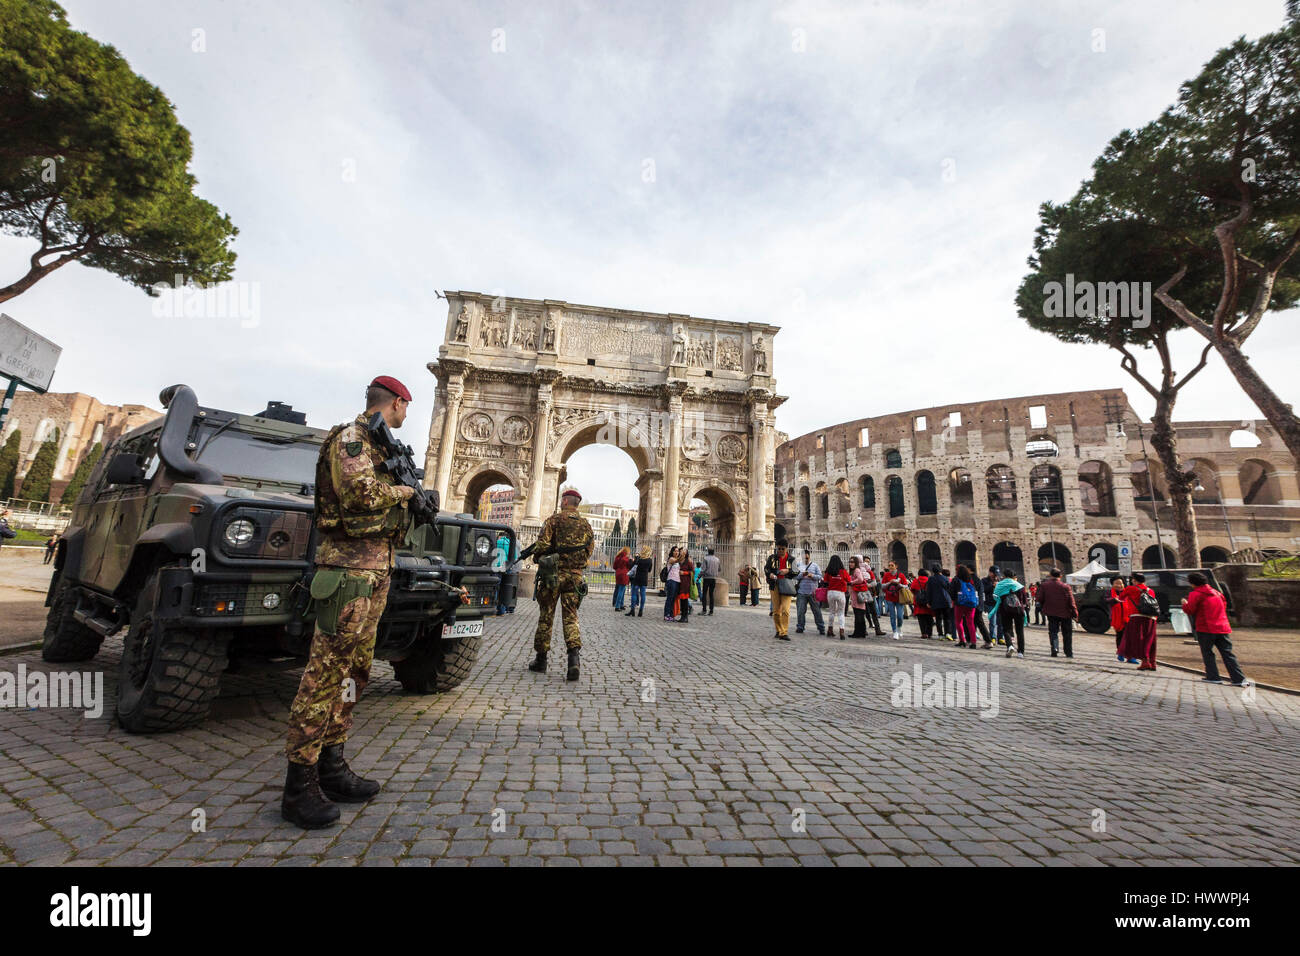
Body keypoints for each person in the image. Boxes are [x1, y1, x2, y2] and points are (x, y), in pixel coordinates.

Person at [283, 375, 421, 830]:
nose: (407, 415)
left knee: (356, 669)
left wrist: (415, 503)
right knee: (324, 673)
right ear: (396, 403)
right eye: (407, 407)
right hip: (345, 572)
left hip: (376, 569)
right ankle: (298, 785)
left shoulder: (382, 448)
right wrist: (407, 493)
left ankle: (332, 764)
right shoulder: (351, 439)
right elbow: (360, 497)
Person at [528, 488, 596, 680]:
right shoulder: (586, 526)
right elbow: (589, 550)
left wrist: (537, 557)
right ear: (577, 503)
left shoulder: (554, 520)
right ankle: (573, 660)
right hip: (574, 578)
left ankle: (541, 660)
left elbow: (542, 545)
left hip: (552, 576)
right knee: (571, 617)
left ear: (565, 502)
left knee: (546, 617)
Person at [1183, 572, 1250, 686]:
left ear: (1192, 583)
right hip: (1222, 626)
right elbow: (1224, 606)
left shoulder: (1195, 594)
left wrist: (1184, 604)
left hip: (1206, 627)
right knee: (1228, 653)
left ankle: (1213, 676)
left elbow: (1190, 610)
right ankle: (1239, 678)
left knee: (1207, 652)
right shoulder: (1217, 593)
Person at [1118, 572, 1160, 671]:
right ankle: (1153, 663)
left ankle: (1145, 661)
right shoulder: (1151, 590)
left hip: (1137, 616)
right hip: (1151, 618)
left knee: (1138, 640)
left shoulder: (1130, 588)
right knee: (1150, 640)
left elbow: (1121, 598)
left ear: (1134, 580)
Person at [1037, 567, 1078, 658]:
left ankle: (1055, 648)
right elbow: (1071, 601)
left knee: (1053, 632)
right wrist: (1075, 613)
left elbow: (1039, 598)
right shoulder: (1066, 586)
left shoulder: (1044, 585)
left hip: (1051, 612)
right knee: (1067, 633)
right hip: (1066, 613)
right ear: (1061, 575)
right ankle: (1068, 652)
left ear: (1050, 575)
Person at [990, 570, 1027, 658]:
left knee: (1006, 629)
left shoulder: (999, 585)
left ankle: (1010, 646)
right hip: (1018, 610)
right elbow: (1025, 601)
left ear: (1004, 576)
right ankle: (1020, 652)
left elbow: (995, 597)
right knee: (1020, 631)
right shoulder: (1020, 586)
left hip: (1005, 610)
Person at [764, 541, 798, 640]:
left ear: (786, 549)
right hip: (774, 585)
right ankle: (778, 630)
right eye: (779, 548)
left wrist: (788, 571)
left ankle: (784, 632)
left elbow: (796, 571)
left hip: (786, 585)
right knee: (776, 611)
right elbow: (766, 568)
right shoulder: (772, 558)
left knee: (786, 610)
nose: (780, 551)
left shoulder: (791, 559)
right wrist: (769, 574)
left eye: (782, 549)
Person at [1107, 576, 1139, 663]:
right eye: (1116, 583)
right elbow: (1106, 600)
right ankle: (1121, 653)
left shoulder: (1128, 592)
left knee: (1130, 637)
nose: (1119, 585)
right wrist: (1114, 600)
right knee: (1120, 637)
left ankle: (1130, 656)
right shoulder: (1109, 592)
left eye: (1120, 583)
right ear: (1112, 584)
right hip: (1117, 619)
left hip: (1129, 618)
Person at [794, 549, 825, 635]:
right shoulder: (799, 565)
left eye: (807, 558)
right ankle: (800, 627)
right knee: (800, 611)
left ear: (809, 557)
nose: (805, 560)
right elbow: (795, 577)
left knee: (817, 611)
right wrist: (801, 575)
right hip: (801, 592)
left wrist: (812, 576)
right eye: (804, 558)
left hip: (813, 592)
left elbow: (820, 577)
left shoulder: (815, 566)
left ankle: (821, 627)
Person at [951, 565, 982, 648]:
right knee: (970, 623)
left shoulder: (956, 580)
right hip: (971, 604)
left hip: (960, 603)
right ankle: (973, 642)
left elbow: (952, 591)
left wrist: (953, 600)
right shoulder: (970, 580)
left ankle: (962, 640)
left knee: (959, 622)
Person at [823, 553, 851, 639]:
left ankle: (830, 630)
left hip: (831, 592)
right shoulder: (843, 571)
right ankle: (841, 631)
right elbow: (849, 580)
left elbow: (825, 581)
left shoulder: (828, 572)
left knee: (831, 612)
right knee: (841, 613)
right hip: (840, 593)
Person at [881, 562, 909, 640]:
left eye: (892, 565)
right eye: (889, 565)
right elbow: (882, 586)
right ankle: (894, 631)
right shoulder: (886, 575)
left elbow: (906, 586)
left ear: (896, 566)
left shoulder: (901, 575)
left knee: (900, 616)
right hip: (889, 598)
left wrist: (899, 584)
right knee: (892, 616)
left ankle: (899, 627)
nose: (890, 567)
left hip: (899, 598)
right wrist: (890, 582)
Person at [848, 555, 872, 638]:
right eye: (850, 562)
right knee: (859, 614)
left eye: (852, 562)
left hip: (858, 595)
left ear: (856, 563)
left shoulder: (857, 570)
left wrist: (852, 582)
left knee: (859, 614)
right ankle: (860, 632)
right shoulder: (854, 570)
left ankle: (859, 633)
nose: (851, 564)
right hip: (855, 595)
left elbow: (860, 579)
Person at [927, 567, 953, 640]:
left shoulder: (931, 579)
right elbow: (949, 588)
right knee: (947, 618)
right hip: (946, 600)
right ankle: (947, 633)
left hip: (936, 601)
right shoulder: (945, 578)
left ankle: (940, 635)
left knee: (938, 619)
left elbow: (929, 591)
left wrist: (929, 602)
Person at [627, 545, 652, 617]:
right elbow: (649, 570)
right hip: (644, 578)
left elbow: (633, 566)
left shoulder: (639, 559)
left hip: (637, 578)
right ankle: (641, 610)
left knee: (634, 594)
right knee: (643, 594)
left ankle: (632, 610)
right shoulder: (649, 560)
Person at [911, 567, 933, 638]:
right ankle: (929, 633)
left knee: (921, 619)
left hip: (919, 603)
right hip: (928, 602)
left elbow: (912, 589)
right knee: (929, 619)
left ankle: (923, 633)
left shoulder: (916, 581)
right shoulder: (929, 580)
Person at [983, 566, 1003, 645]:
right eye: (994, 574)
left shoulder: (1000, 580)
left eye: (997, 574)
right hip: (990, 603)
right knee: (993, 622)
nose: (995, 576)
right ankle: (993, 637)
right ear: (990, 573)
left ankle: (1000, 637)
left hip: (999, 603)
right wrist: (992, 586)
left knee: (1000, 622)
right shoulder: (984, 580)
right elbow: (983, 590)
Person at [664, 547, 682, 621]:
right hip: (671, 580)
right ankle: (666, 614)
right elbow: (677, 560)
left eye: (677, 551)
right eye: (675, 551)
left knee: (673, 599)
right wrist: (682, 555)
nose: (676, 552)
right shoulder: (671, 559)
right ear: (672, 552)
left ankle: (671, 615)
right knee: (669, 598)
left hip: (677, 581)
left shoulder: (678, 560)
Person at [701, 547, 721, 615]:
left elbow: (703, 569)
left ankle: (704, 610)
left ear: (708, 552)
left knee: (704, 594)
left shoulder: (705, 558)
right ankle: (711, 611)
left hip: (706, 578)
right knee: (711, 594)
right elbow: (719, 569)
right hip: (713, 579)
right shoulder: (717, 559)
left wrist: (699, 577)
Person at [612, 546, 632, 611]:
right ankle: (617, 606)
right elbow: (630, 566)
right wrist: (631, 560)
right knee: (621, 590)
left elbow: (614, 566)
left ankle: (621, 604)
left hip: (618, 574)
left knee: (621, 590)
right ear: (627, 552)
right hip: (624, 574)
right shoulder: (626, 559)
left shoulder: (617, 557)